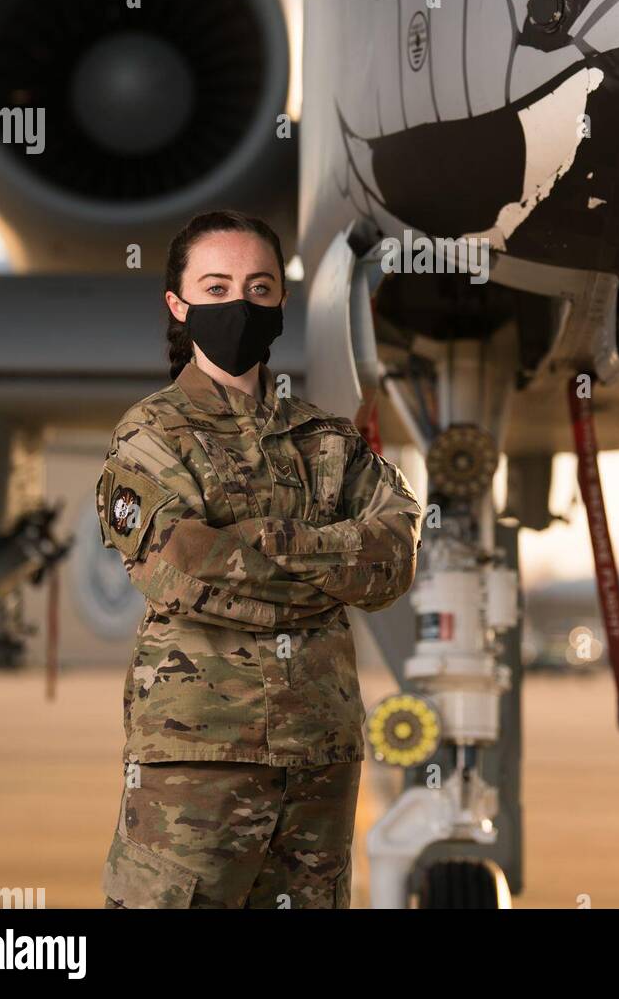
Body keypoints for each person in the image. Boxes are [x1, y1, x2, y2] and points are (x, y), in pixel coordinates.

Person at [96, 209, 422, 908]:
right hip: (198, 761)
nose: (238, 303)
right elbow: (180, 570)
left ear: (279, 305)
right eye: (215, 289)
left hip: (319, 764)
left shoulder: (328, 440)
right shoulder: (152, 435)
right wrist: (331, 566)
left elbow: (394, 556)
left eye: (259, 287)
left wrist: (263, 547)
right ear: (178, 306)